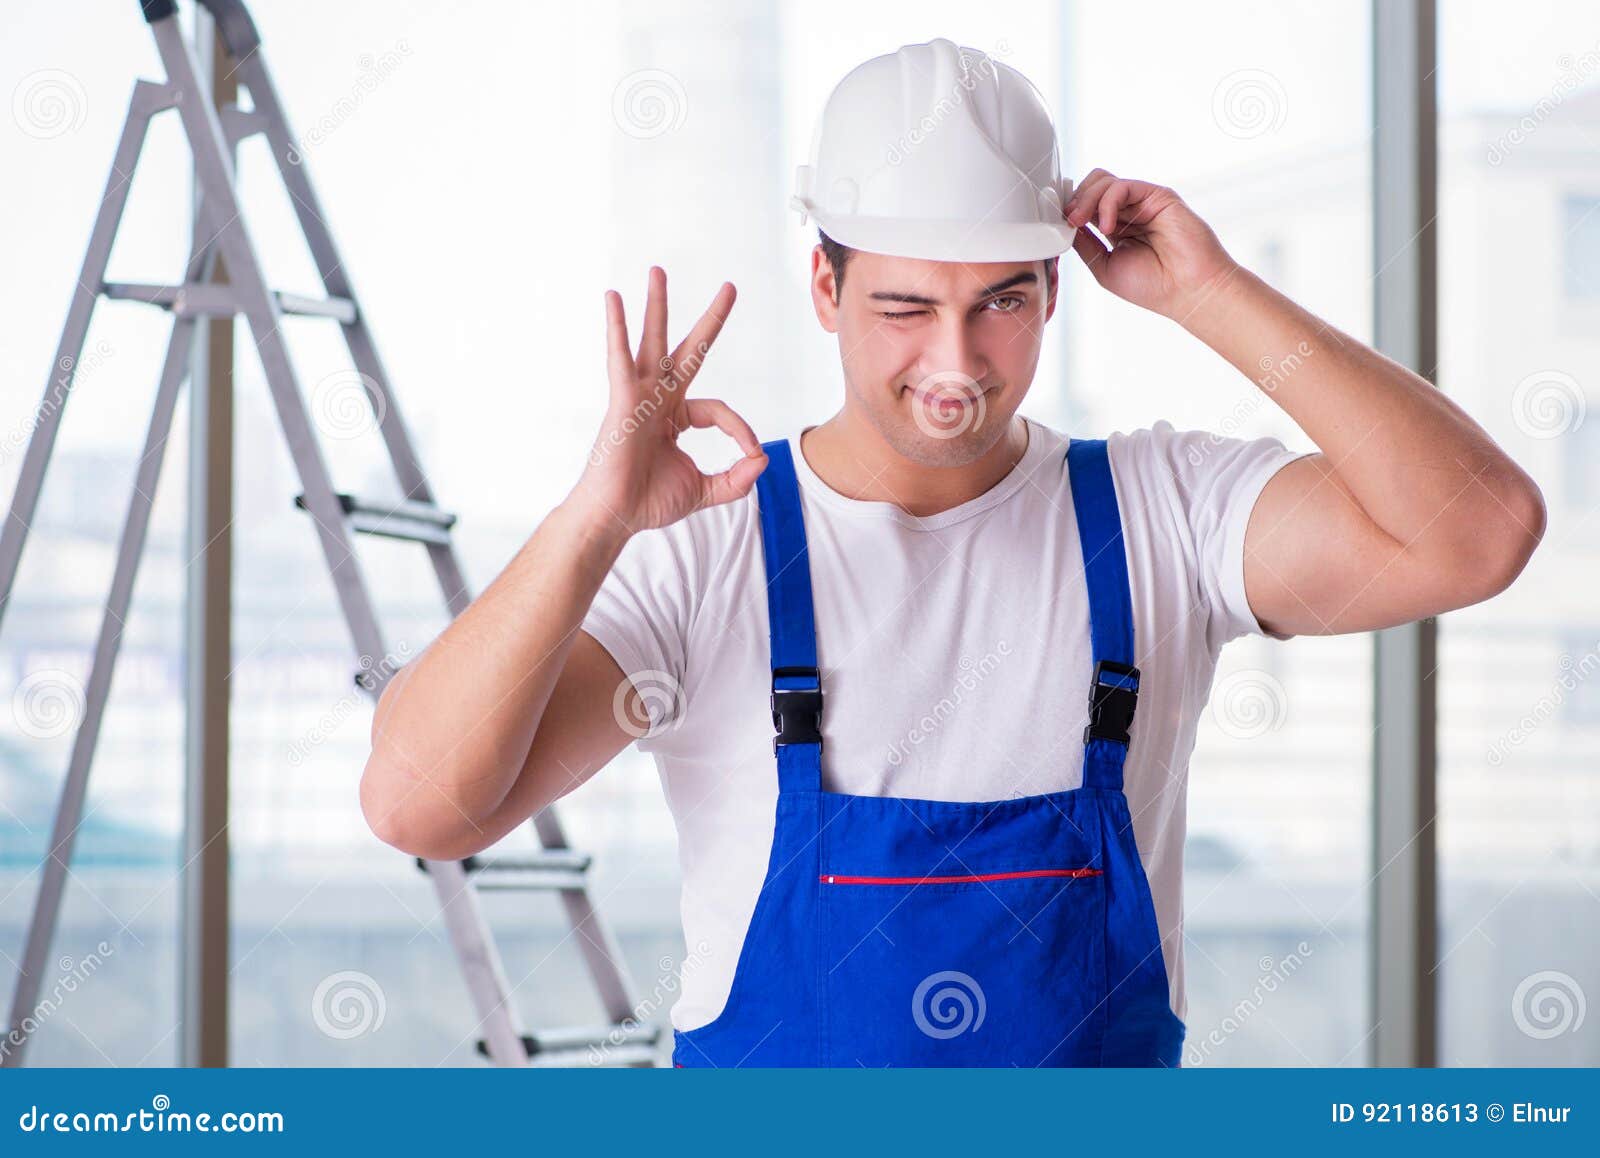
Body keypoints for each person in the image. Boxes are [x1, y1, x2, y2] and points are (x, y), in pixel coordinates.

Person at [360, 38, 1544, 1067]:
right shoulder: (710, 547)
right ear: (824, 285)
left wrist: (1212, 293)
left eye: (1000, 303)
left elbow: (1477, 533)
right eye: (905, 309)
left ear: (1053, 290)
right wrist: (590, 522)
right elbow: (418, 806)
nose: (956, 365)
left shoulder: (1162, 512)